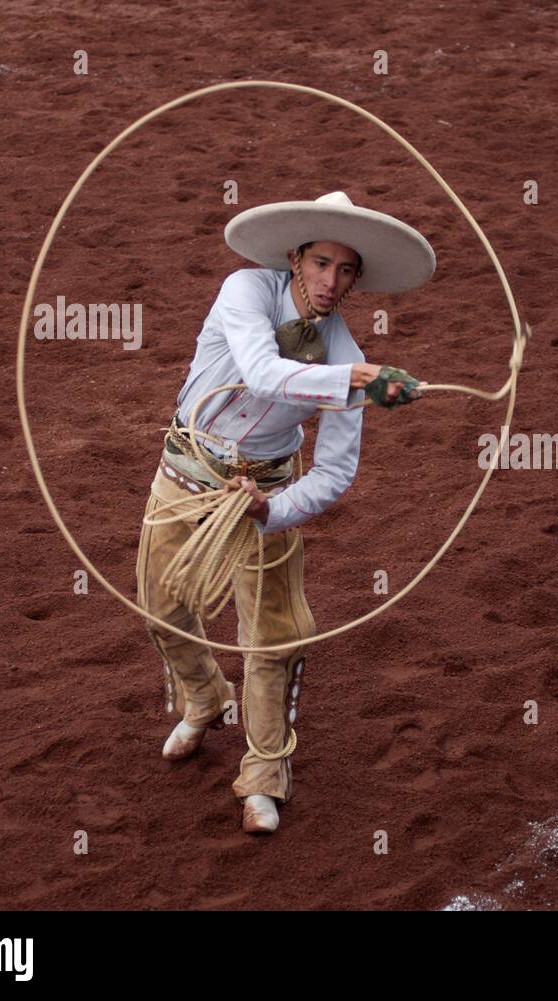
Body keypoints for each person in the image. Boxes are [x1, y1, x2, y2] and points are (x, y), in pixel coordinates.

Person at [135, 190, 434, 834]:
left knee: (273, 637)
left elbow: (334, 474)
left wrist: (271, 509)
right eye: (322, 263)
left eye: (347, 270)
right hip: (184, 474)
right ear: (296, 258)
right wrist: (353, 379)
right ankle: (205, 696)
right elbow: (264, 373)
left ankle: (265, 773)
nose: (332, 281)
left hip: (260, 495)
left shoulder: (349, 353)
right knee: (162, 607)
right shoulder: (245, 290)